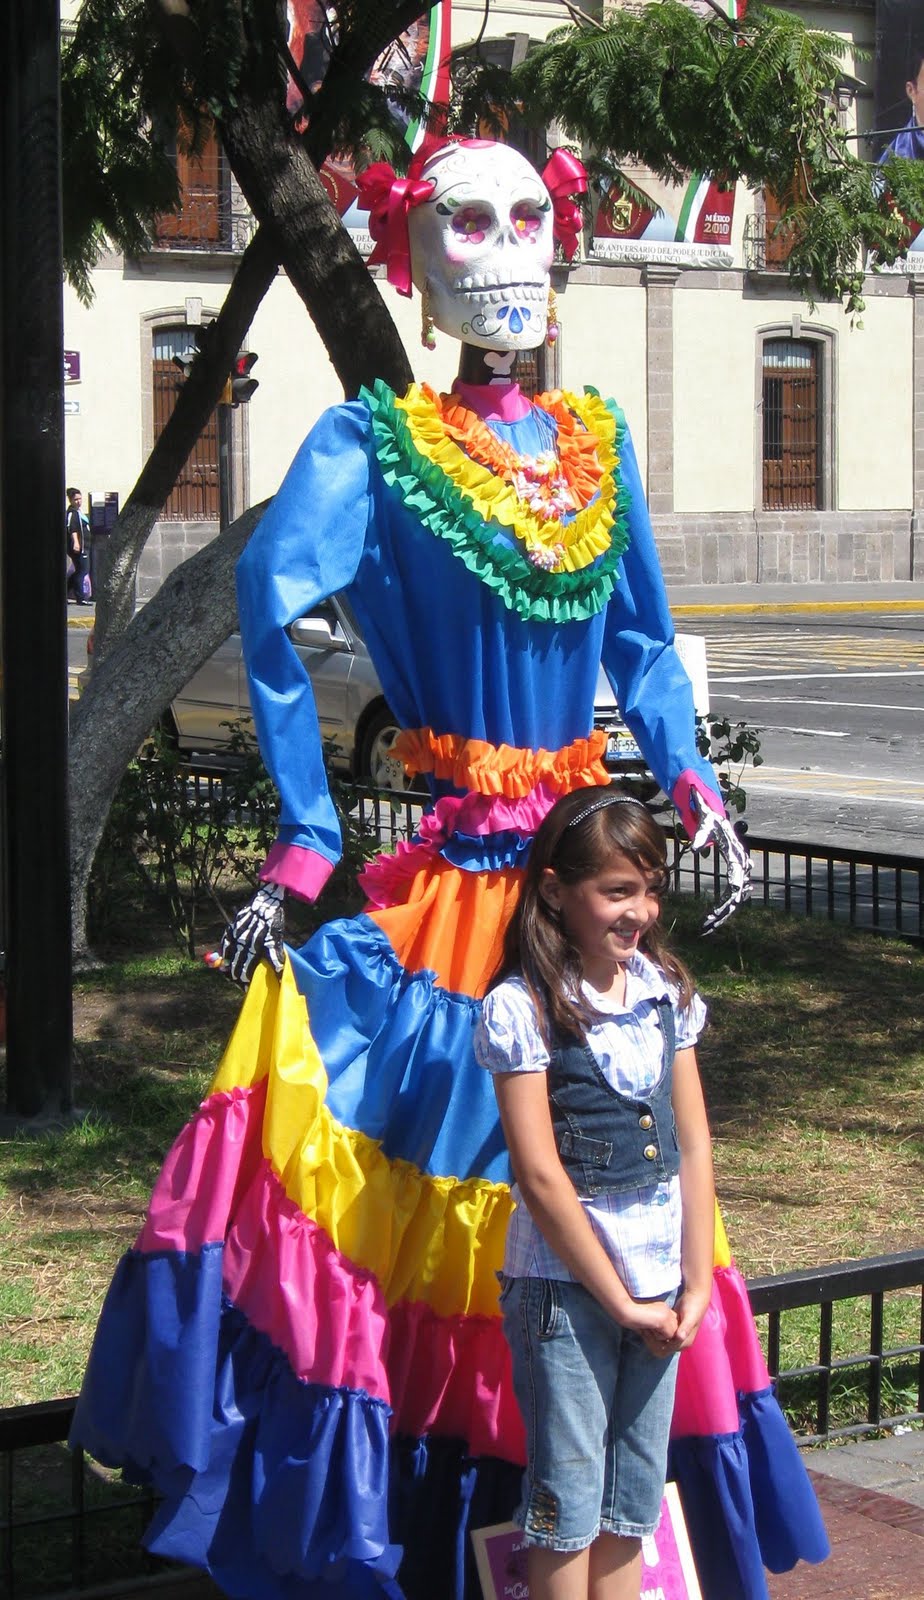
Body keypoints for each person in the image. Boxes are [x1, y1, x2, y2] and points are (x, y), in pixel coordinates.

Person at [70, 140, 828, 1600]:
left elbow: (644, 644)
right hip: (459, 897)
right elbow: (268, 596)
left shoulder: (597, 443)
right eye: (467, 216)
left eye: (531, 216)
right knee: (447, 1188)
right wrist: (306, 838)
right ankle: (443, 1537)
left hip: (572, 881)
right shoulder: (372, 444)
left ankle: (583, 1529)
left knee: (620, 1180)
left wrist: (682, 776)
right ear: (413, 253)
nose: (505, 247)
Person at [65, 486, 91, 603]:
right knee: (82, 570)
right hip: (79, 547)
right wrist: (76, 542)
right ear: (70, 500)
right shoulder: (72, 513)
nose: (79, 502)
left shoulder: (79, 512)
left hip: (85, 545)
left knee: (80, 570)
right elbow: (73, 529)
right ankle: (80, 598)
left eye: (80, 499)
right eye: (76, 499)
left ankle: (65, 591)